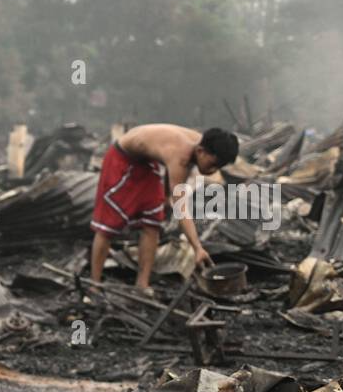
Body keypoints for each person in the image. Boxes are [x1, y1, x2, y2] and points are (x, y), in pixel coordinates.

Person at [89, 124, 239, 291]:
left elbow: (170, 168)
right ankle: (94, 285)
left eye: (218, 167)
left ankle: (142, 285)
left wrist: (167, 196)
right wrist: (197, 248)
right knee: (108, 227)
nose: (213, 171)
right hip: (121, 159)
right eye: (213, 165)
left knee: (152, 222)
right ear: (201, 151)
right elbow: (181, 207)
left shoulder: (200, 144)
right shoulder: (181, 156)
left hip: (146, 163)